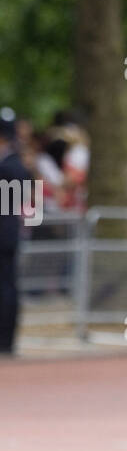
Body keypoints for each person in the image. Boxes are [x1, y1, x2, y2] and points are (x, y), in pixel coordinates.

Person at [0, 107, 33, 355]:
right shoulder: (19, 165)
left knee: (5, 288)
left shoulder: (6, 167)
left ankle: (5, 340)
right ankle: (8, 341)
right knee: (9, 286)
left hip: (3, 234)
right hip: (11, 233)